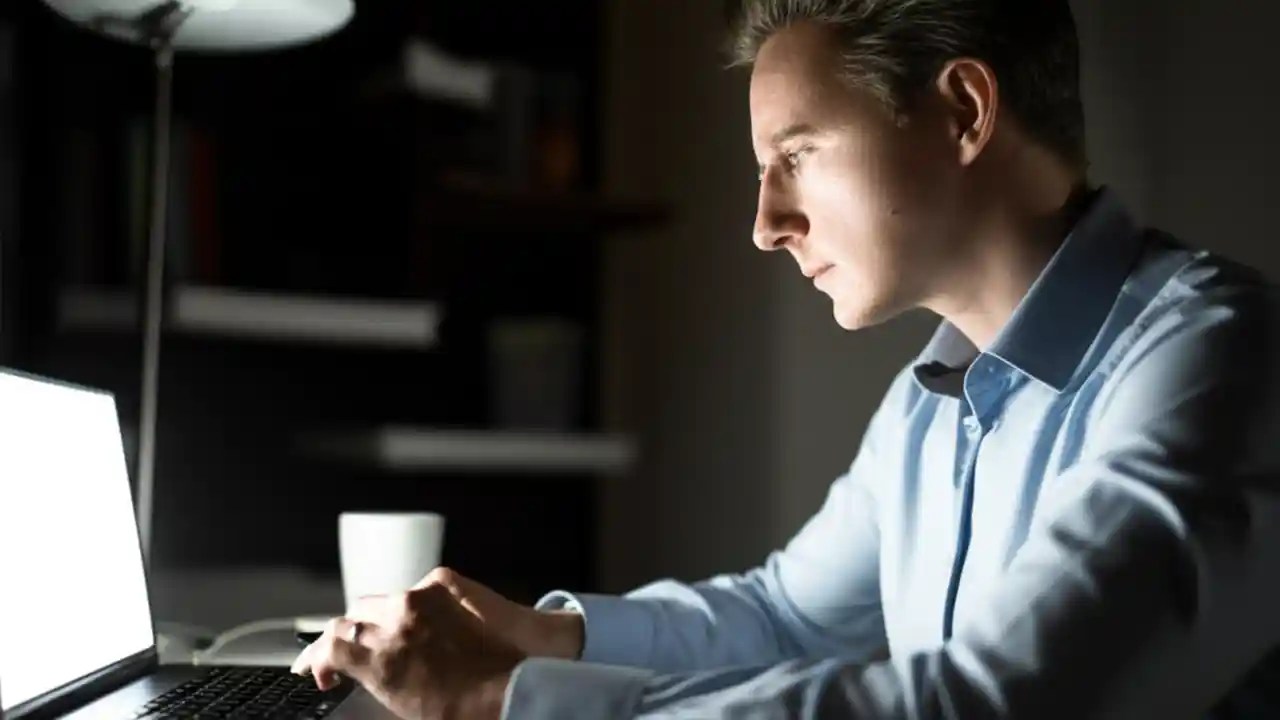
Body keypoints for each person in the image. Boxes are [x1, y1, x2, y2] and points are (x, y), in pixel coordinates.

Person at [292, 0, 1280, 717]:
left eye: (796, 155)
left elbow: (998, 704)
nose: (764, 223)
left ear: (963, 112)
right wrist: (545, 635)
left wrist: (503, 696)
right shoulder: (925, 406)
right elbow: (788, 616)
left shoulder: (1216, 359)